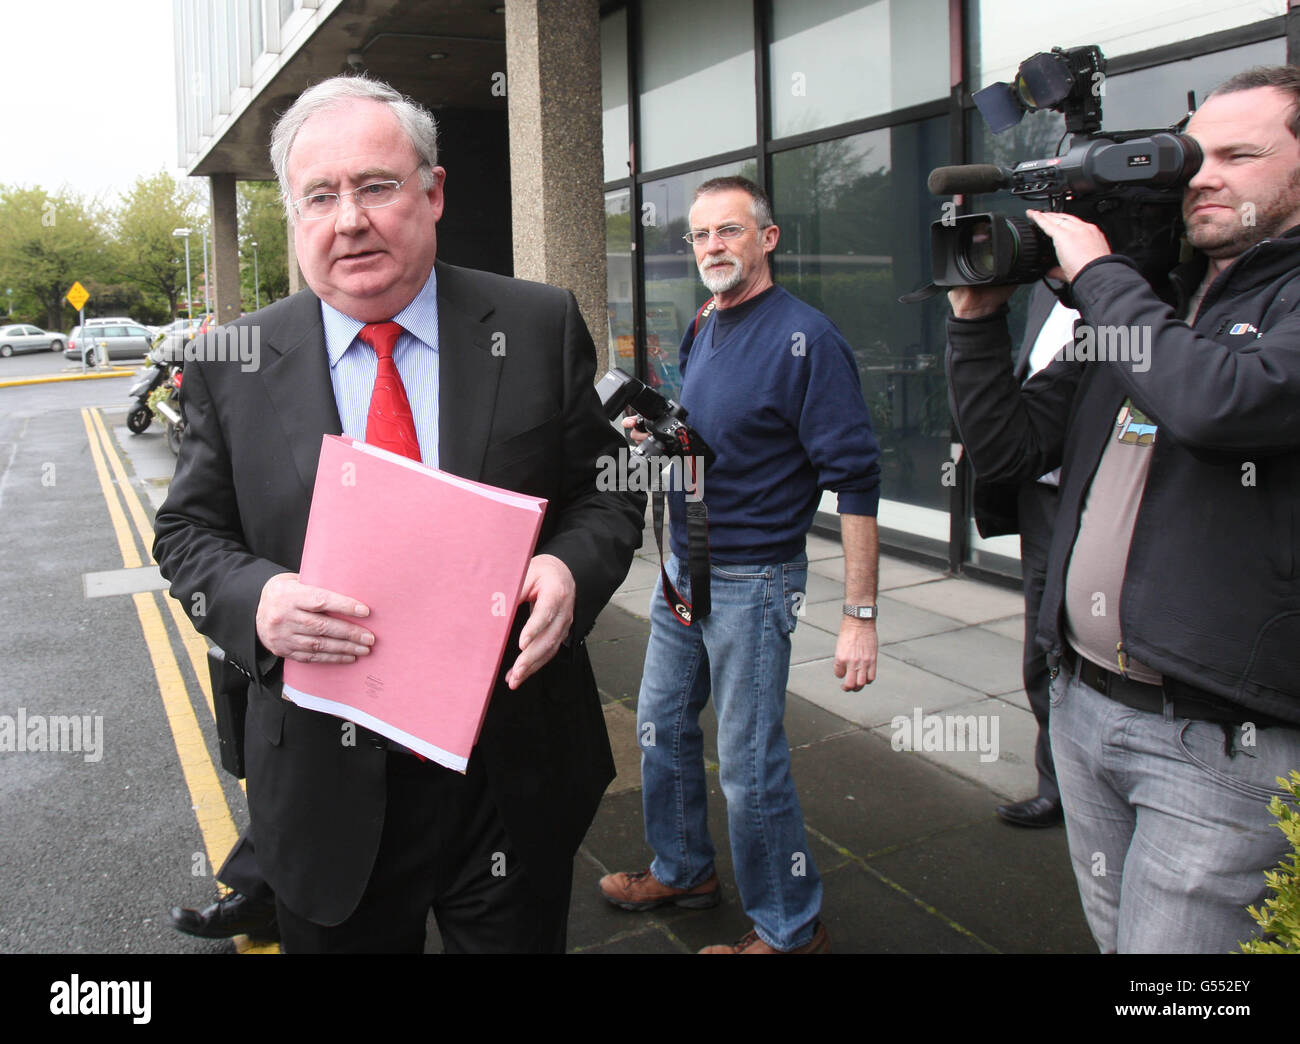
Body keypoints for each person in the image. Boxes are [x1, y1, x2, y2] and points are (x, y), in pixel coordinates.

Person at [153, 75, 645, 953]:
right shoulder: (235, 362)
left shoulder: (535, 325)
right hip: (322, 790)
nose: (349, 219)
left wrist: (570, 567)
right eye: (321, 196)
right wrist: (257, 601)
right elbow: (186, 535)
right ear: (294, 217)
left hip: (510, 776)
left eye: (376, 185)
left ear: (434, 191)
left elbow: (606, 488)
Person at [944, 67, 1300, 953]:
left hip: (1215, 742)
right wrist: (978, 323)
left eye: (1238, 155)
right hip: (1085, 709)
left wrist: (1100, 274)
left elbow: (1218, 403)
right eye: (1192, 154)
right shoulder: (1157, 301)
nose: (1201, 175)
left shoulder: (1233, 302)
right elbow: (1017, 449)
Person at [598, 176, 882, 954]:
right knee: (658, 726)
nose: (713, 247)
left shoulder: (809, 341)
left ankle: (791, 929)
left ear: (768, 237)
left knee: (750, 767)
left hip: (754, 582)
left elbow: (855, 478)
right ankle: (685, 870)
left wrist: (860, 617)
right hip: (683, 573)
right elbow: (708, 428)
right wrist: (658, 438)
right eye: (700, 236)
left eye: (729, 231)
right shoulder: (704, 322)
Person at [972, 281, 1068, 828]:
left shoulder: (1141, 290)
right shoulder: (1044, 295)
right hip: (1043, 497)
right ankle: (1054, 785)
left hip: (1104, 497)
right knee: (1042, 650)